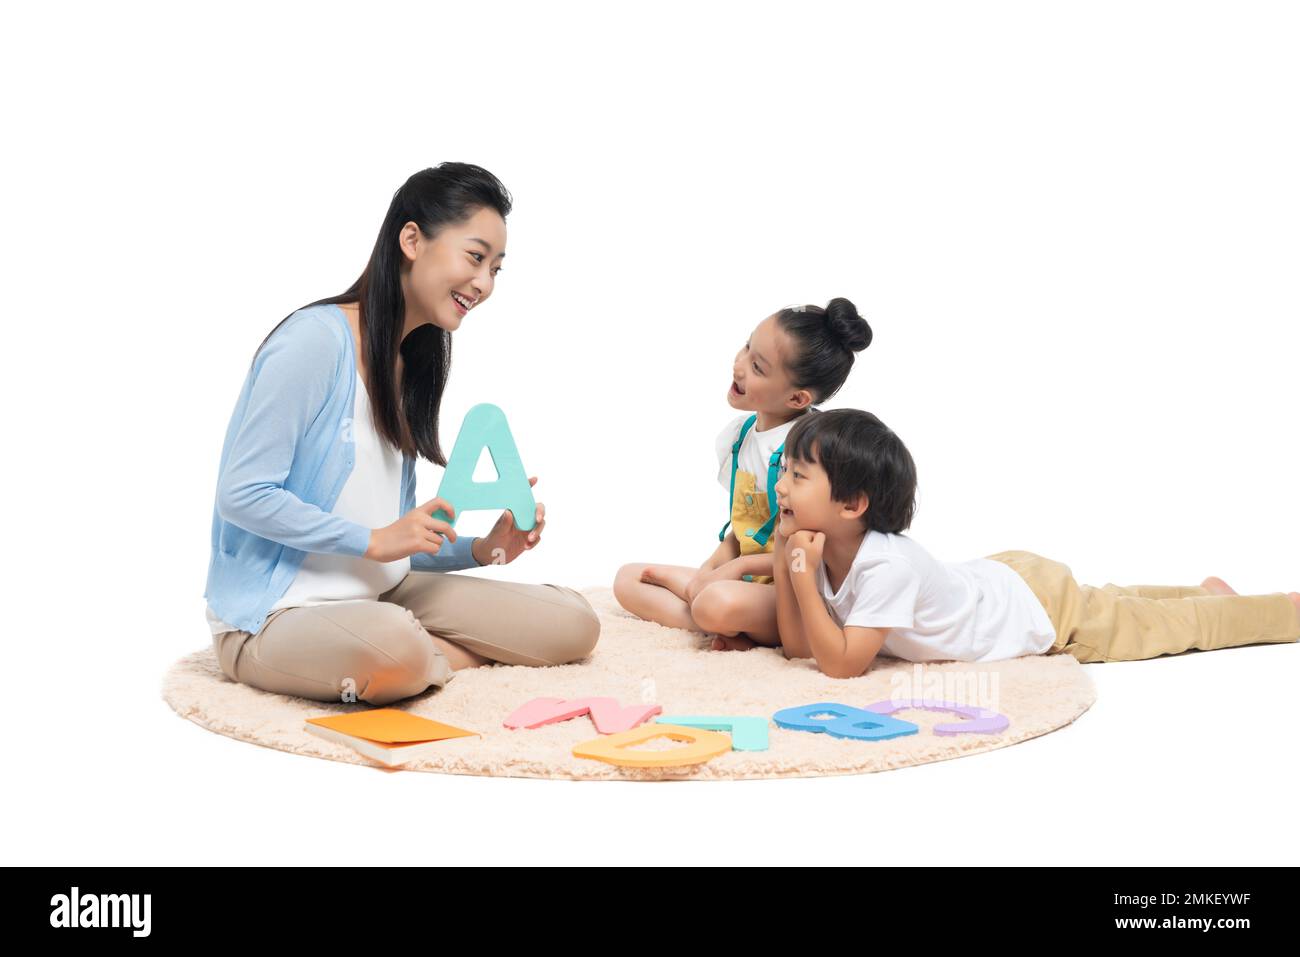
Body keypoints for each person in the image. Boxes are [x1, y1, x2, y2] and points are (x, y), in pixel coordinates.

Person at [204, 163, 600, 705]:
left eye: (497, 269)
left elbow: (397, 542)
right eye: (475, 257)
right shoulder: (314, 343)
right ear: (411, 239)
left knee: (573, 624)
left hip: (387, 595)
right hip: (277, 616)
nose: (483, 284)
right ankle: (420, 657)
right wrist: (373, 542)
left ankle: (419, 658)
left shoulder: (409, 364)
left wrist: (483, 550)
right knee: (395, 648)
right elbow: (242, 495)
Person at [765, 408, 1300, 677]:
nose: (781, 485)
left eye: (798, 476)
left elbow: (841, 666)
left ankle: (1283, 612)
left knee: (1157, 630)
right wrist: (787, 564)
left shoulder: (885, 566)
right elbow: (799, 649)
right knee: (1112, 601)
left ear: (852, 505)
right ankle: (1203, 589)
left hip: (1035, 608)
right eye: (785, 470)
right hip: (1000, 579)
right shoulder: (818, 547)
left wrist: (800, 579)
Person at [613, 299, 872, 650]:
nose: (739, 366)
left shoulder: (809, 453)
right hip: (745, 583)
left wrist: (735, 570)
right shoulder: (741, 435)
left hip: (795, 592)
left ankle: (719, 617)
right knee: (627, 579)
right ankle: (729, 628)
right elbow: (743, 527)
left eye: (758, 367)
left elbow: (815, 551)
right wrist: (713, 565)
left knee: (714, 602)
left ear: (798, 397)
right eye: (748, 346)